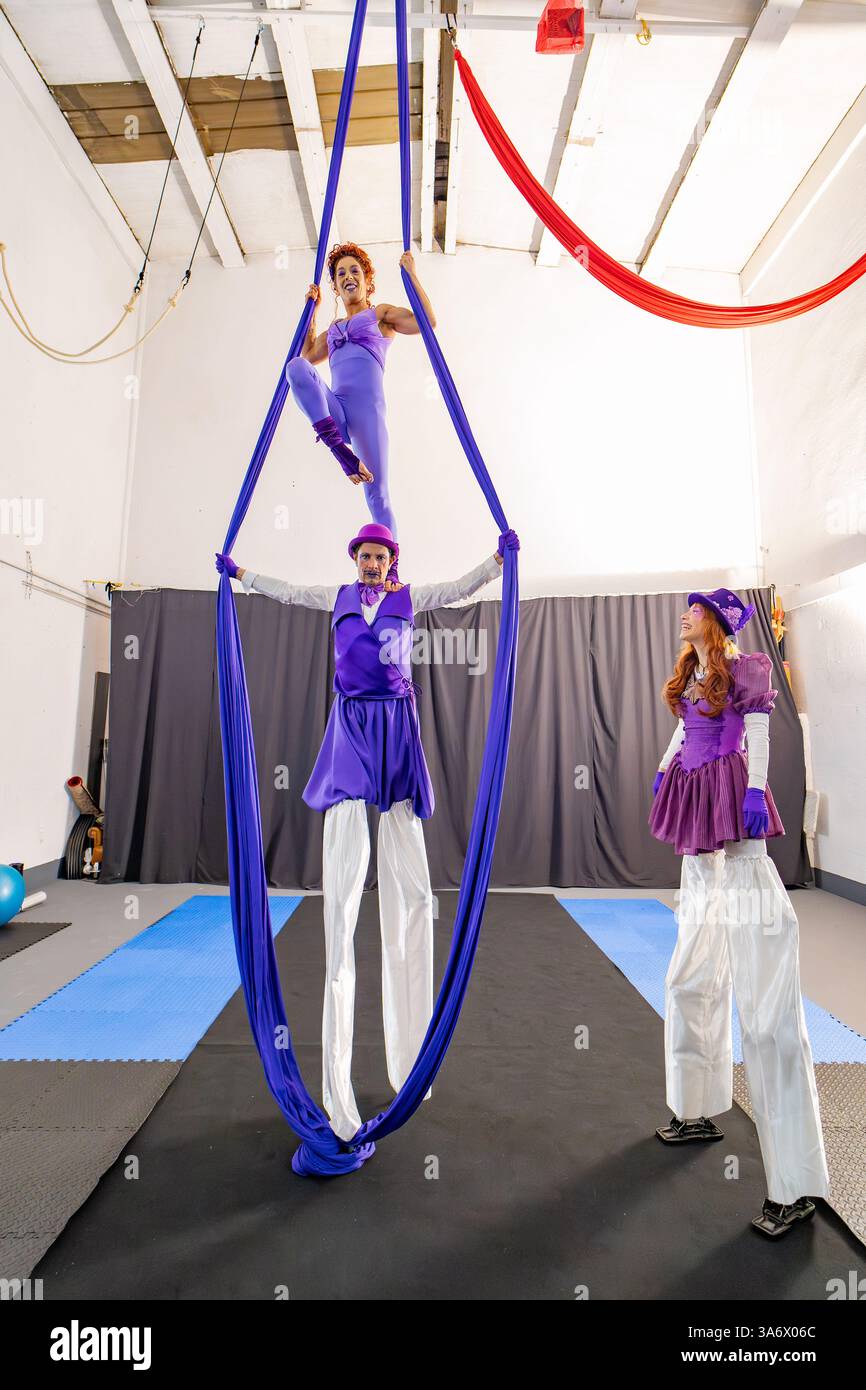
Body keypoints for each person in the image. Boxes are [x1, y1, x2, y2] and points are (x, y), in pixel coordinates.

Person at [216, 523, 519, 1141]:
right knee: (344, 898)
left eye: (381, 555)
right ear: (355, 560)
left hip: (398, 731)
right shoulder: (337, 598)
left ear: (391, 561)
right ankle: (338, 1088)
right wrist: (241, 576)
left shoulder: (412, 598)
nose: (373, 563)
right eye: (365, 555)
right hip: (352, 729)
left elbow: (462, 588)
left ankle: (412, 1064)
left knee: (410, 893)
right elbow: (290, 593)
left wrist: (497, 559)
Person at [648, 588, 830, 1239]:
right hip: (698, 822)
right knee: (690, 971)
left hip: (735, 820)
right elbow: (683, 728)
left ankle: (798, 1184)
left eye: (695, 609)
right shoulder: (695, 672)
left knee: (766, 1011)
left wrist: (755, 792)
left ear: (718, 622)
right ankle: (696, 1105)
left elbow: (756, 732)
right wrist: (667, 766)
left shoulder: (746, 667)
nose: (684, 614)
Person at [284, 242, 436, 580]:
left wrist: (412, 275)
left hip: (368, 415)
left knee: (378, 495)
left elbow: (427, 323)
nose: (348, 276)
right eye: (340, 274)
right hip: (336, 413)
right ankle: (340, 451)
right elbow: (306, 358)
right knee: (293, 368)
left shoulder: (380, 314)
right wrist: (311, 310)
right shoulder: (333, 330)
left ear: (367, 281)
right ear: (336, 287)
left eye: (355, 271)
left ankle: (391, 575)